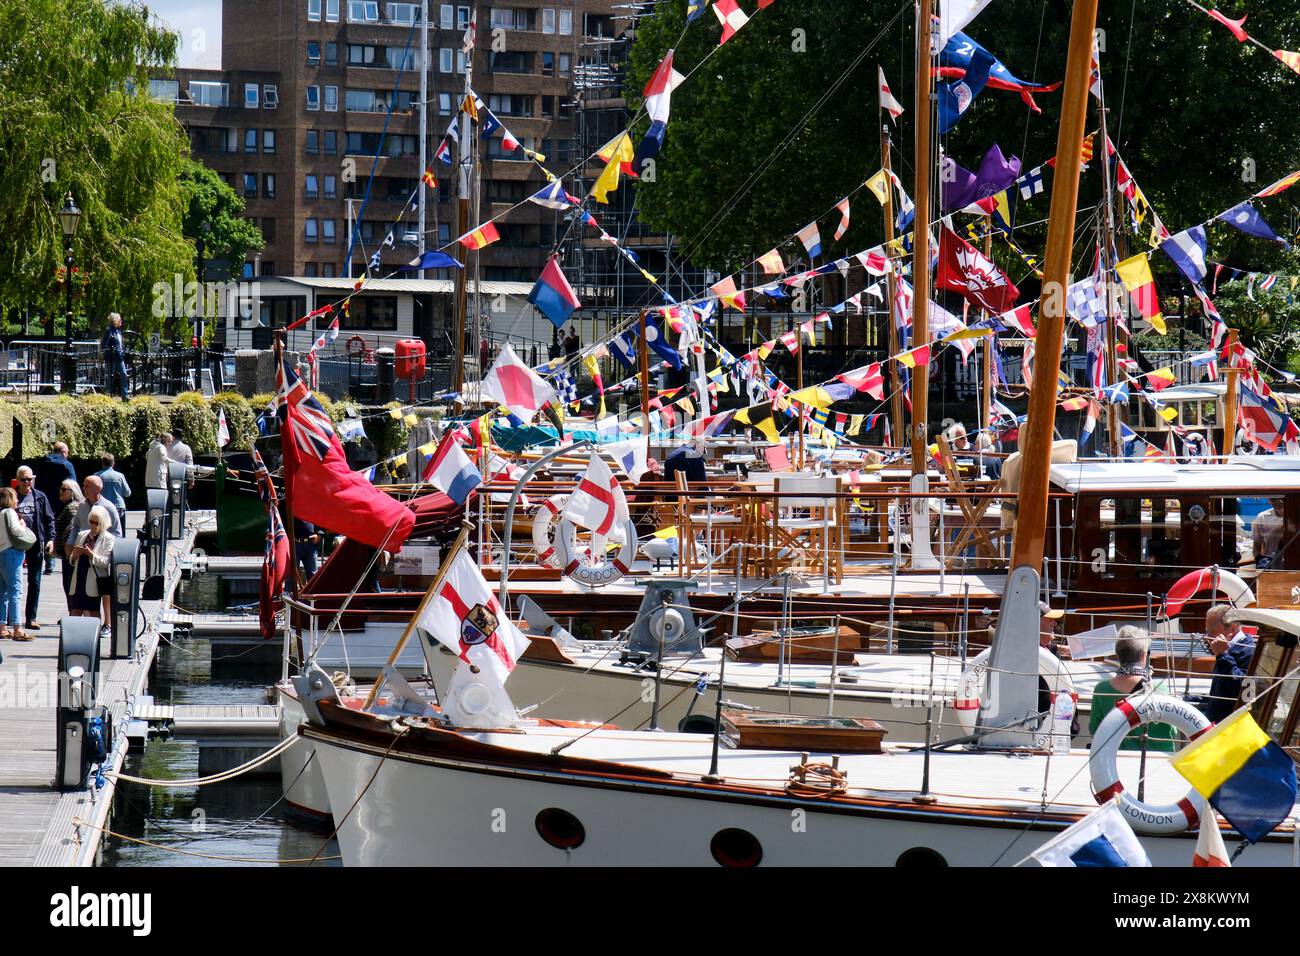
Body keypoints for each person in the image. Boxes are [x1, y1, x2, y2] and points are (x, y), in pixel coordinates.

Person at [1087, 626, 1179, 751]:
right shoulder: (1159, 688)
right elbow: (1172, 730)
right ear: (1143, 655)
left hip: (1116, 760)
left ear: (1117, 655)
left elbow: (1094, 730)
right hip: (1157, 760)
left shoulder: (1102, 689)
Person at [1193, 604, 1257, 723]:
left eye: (1213, 631)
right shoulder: (1227, 653)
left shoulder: (1249, 652)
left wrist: (1223, 655)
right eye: (1207, 632)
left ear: (1232, 628)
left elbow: (1242, 690)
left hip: (1233, 730)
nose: (1208, 637)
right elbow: (1222, 694)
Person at [14, 466, 55, 632]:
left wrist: (51, 540)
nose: (27, 483)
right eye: (23, 479)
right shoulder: (11, 497)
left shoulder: (40, 497)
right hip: (14, 545)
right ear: (17, 480)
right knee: (12, 584)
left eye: (29, 479)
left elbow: (49, 519)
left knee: (35, 582)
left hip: (35, 545)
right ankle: (11, 619)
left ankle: (31, 618)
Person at [66, 505, 115, 634]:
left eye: (96, 523)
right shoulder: (82, 535)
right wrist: (75, 554)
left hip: (93, 581)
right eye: (91, 522)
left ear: (102, 523)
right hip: (79, 579)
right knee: (75, 610)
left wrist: (91, 554)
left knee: (93, 612)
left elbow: (105, 563)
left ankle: (94, 638)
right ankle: (72, 638)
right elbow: (72, 560)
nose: (93, 526)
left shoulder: (108, 539)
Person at [0, 488, 31, 641]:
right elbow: (16, 531)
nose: (17, 500)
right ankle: (17, 628)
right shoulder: (9, 513)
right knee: (15, 592)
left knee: (2, 592)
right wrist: (22, 525)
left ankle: (2, 627)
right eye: (16, 497)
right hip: (12, 553)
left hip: (1, 553)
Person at [65, 476, 122, 555]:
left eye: (87, 486)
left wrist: (108, 550)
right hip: (83, 551)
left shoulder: (109, 507)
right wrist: (70, 542)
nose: (83, 489)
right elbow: (75, 527)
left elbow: (117, 533)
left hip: (101, 553)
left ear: (97, 489)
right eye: (83, 486)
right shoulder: (81, 506)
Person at [53, 479, 83, 610]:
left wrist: (66, 548)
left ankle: (73, 611)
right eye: (60, 488)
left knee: (70, 583)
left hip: (69, 553)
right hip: (68, 552)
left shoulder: (72, 507)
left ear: (72, 492)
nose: (60, 491)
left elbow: (72, 529)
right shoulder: (70, 506)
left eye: (64, 489)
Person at [100, 311, 129, 401]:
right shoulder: (109, 331)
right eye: (120, 320)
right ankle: (108, 395)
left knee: (124, 374)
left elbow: (121, 345)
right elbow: (104, 344)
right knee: (110, 376)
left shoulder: (118, 332)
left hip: (119, 357)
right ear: (115, 321)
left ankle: (125, 396)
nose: (121, 321)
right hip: (111, 357)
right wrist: (110, 348)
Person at [95, 453, 131, 521]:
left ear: (102, 463)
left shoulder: (97, 476)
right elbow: (127, 493)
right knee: (118, 529)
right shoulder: (120, 476)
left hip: (102, 506)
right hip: (118, 506)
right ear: (113, 463)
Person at [1252, 497, 1285, 569]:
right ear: (1270, 501)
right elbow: (1256, 546)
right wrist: (1261, 562)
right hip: (1271, 566)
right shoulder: (1262, 517)